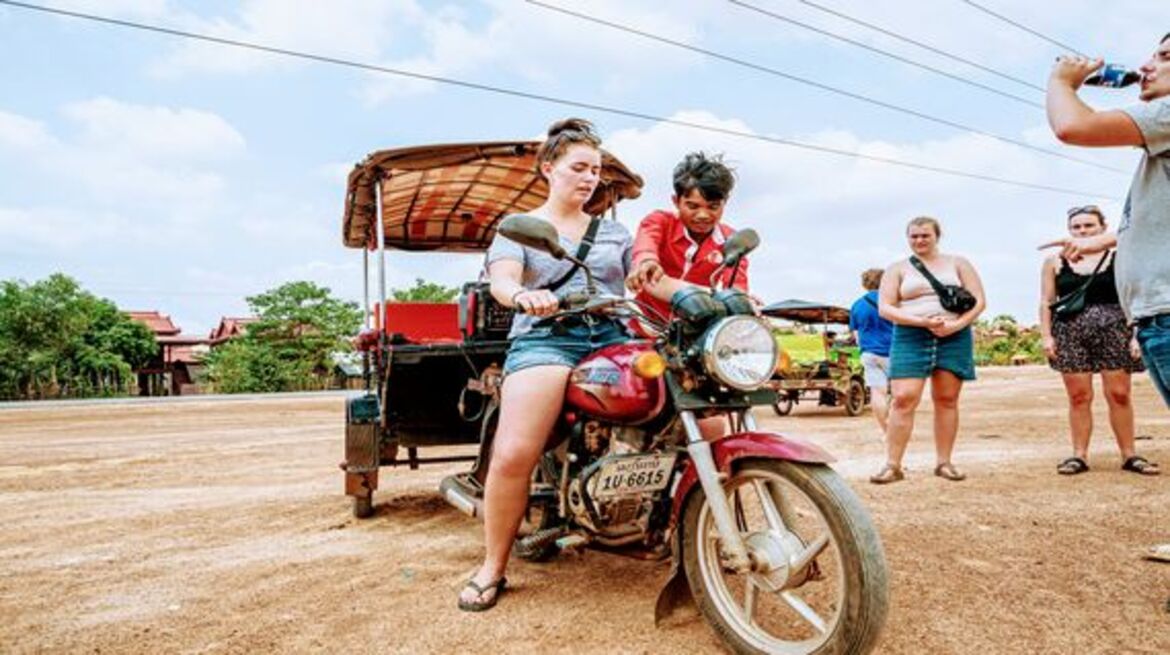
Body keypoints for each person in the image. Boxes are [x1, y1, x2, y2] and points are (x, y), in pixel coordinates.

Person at [458, 118, 633, 612]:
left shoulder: (615, 232)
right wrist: (523, 296)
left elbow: (645, 279)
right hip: (548, 338)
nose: (590, 178)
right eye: (579, 167)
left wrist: (697, 293)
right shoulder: (518, 227)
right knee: (514, 453)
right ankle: (493, 566)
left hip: (613, 335)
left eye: (596, 170)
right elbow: (502, 281)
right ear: (548, 169)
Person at [1045, 33, 1170, 567]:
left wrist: (1062, 80)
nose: (1147, 64)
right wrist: (1104, 240)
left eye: (1165, 56)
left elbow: (1072, 126)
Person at [1038, 206, 1156, 476]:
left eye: (1089, 225)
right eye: (1076, 227)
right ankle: (1078, 455)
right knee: (1079, 397)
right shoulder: (1054, 261)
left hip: (1115, 328)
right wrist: (1047, 336)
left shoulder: (1120, 256)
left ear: (1103, 227)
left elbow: (1134, 297)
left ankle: (1129, 454)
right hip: (1070, 331)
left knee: (1119, 394)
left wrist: (1135, 335)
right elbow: (1047, 301)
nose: (1082, 231)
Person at [870, 216, 985, 484]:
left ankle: (944, 462)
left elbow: (979, 301)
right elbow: (885, 308)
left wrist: (956, 325)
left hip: (953, 335)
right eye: (914, 236)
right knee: (903, 398)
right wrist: (921, 321)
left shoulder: (958, 263)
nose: (919, 240)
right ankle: (892, 465)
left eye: (925, 235)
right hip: (910, 334)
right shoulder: (897, 269)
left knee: (947, 398)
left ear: (937, 236)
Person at [625, 152, 748, 330]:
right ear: (676, 201)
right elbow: (645, 251)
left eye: (713, 207)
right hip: (646, 327)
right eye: (693, 206)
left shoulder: (733, 241)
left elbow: (737, 291)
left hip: (700, 331)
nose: (703, 215)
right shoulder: (658, 222)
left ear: (725, 202)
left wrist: (742, 300)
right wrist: (646, 262)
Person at [850, 268, 894, 437]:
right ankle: (897, 430)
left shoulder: (857, 305)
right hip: (893, 352)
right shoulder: (892, 302)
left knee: (877, 393)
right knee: (897, 394)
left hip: (869, 354)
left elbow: (856, 335)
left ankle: (886, 431)